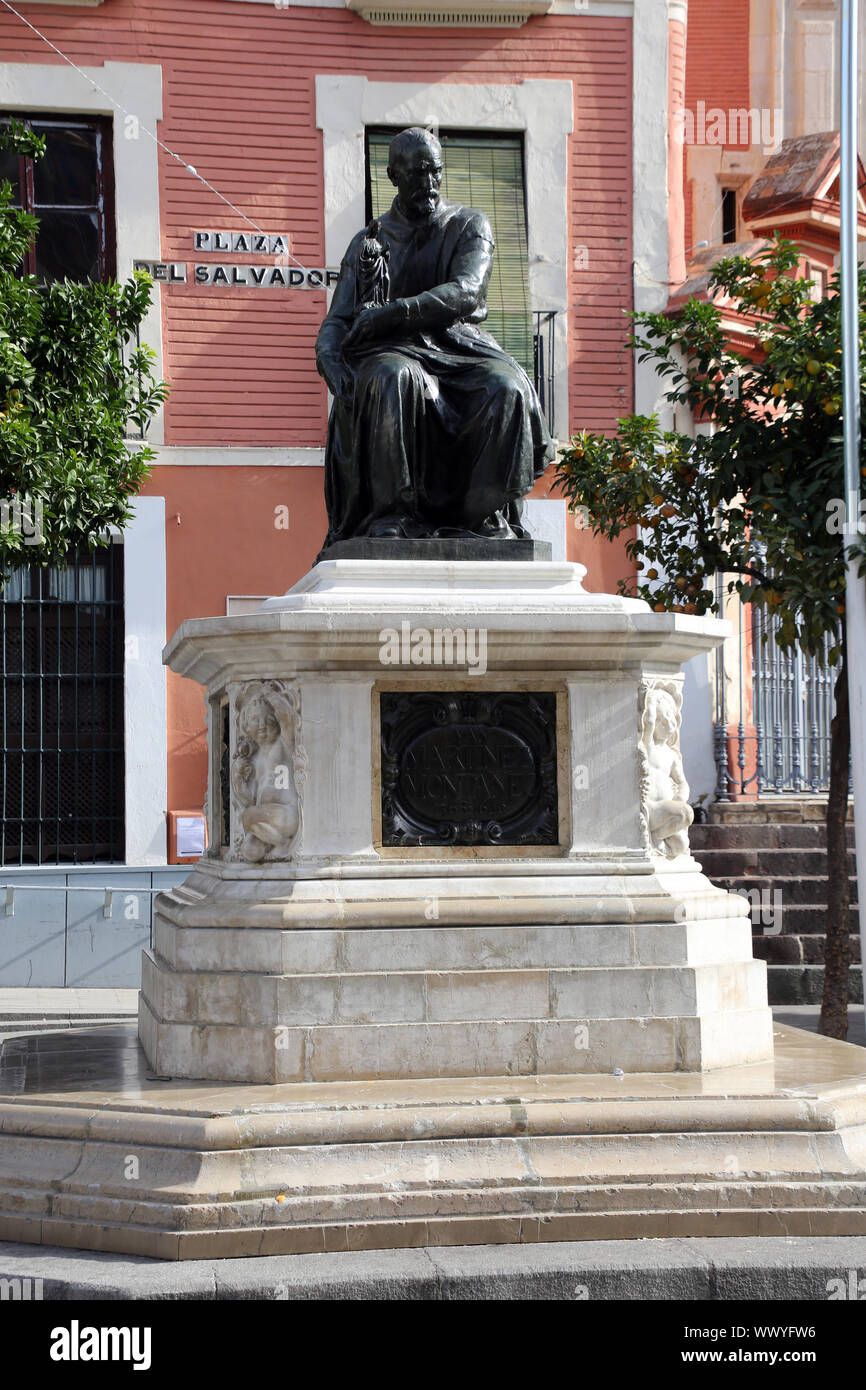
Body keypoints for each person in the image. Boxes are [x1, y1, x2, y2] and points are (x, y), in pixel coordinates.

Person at [315, 127, 555, 550]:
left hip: (458, 345)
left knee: (507, 387)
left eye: (435, 171)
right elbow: (338, 319)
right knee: (394, 377)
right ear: (393, 176)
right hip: (392, 350)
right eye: (416, 173)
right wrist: (331, 362)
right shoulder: (369, 242)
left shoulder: (469, 225)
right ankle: (393, 515)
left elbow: (467, 292)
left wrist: (395, 312)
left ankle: (481, 515)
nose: (428, 183)